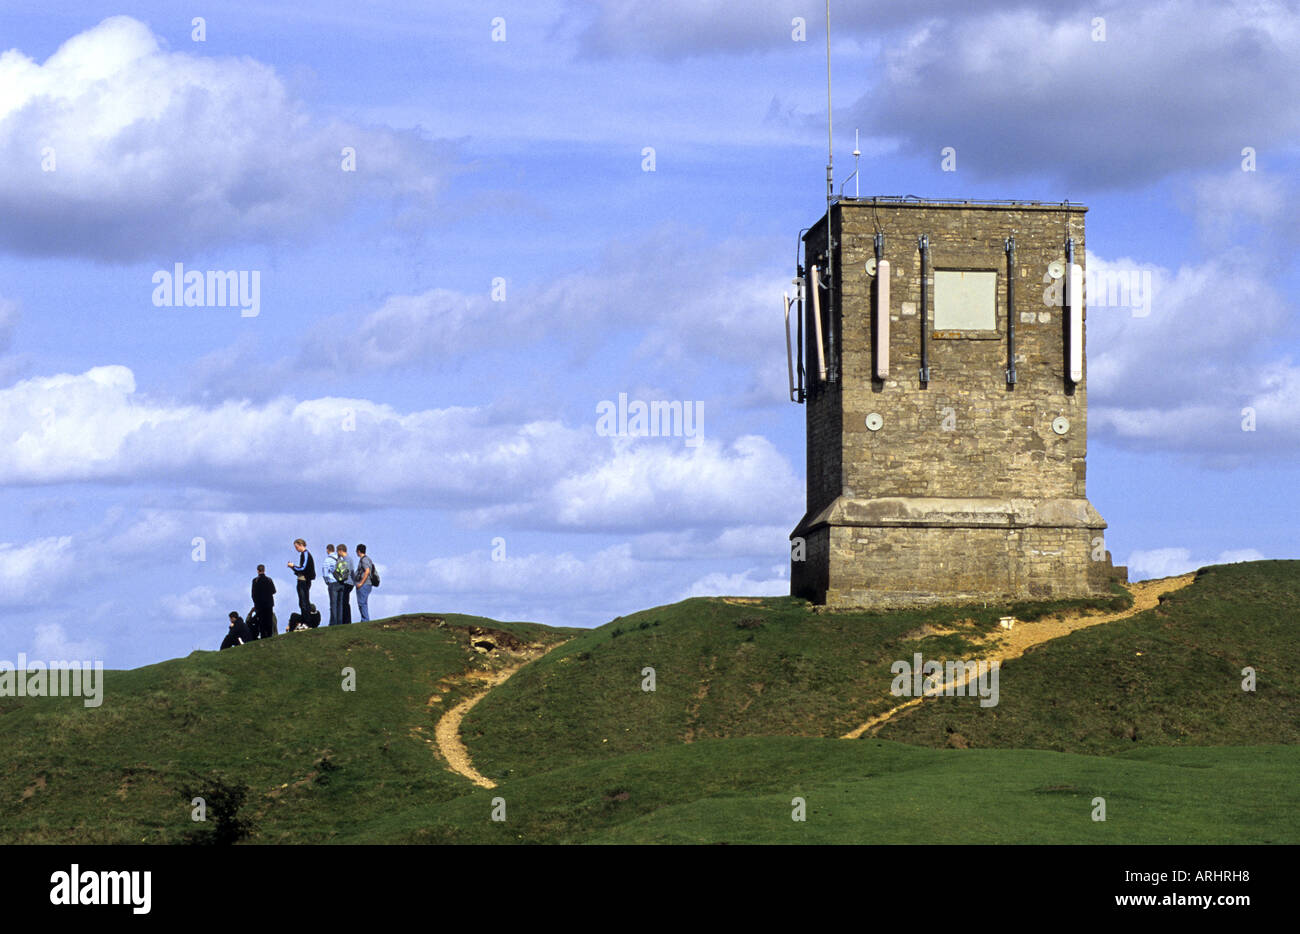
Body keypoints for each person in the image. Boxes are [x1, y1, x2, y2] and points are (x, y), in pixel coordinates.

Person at [287, 539, 315, 618]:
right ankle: (305, 620)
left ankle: (307, 621)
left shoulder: (305, 554)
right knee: (302, 601)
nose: (296, 549)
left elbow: (303, 568)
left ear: (301, 545)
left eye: (296, 547)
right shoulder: (304, 554)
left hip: (304, 581)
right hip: (304, 580)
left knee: (304, 601)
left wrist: (293, 566)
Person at [251, 564, 276, 639]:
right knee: (269, 620)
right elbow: (274, 591)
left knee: (261, 621)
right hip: (269, 603)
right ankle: (270, 635)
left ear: (257, 571)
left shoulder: (255, 581)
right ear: (264, 570)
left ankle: (263, 636)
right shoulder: (269, 579)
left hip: (259, 605)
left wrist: (255, 602)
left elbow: (253, 594)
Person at [332, 545, 354, 625]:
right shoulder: (348, 558)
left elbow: (345, 571)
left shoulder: (346, 559)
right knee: (345, 602)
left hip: (347, 582)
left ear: (341, 551)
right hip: (350, 582)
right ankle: (346, 620)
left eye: (337, 551)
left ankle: (347, 621)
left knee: (345, 602)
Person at [353, 544, 375, 622]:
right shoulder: (368, 559)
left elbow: (367, 571)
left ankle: (365, 619)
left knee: (362, 603)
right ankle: (364, 619)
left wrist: (361, 583)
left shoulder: (364, 560)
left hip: (364, 584)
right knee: (363, 602)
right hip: (367, 584)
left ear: (359, 551)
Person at [323, 544, 339, 625]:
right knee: (340, 604)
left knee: (333, 603)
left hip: (332, 583)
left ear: (327, 550)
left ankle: (333, 622)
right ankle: (340, 622)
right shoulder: (340, 558)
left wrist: (327, 582)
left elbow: (325, 574)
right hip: (341, 582)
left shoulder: (327, 560)